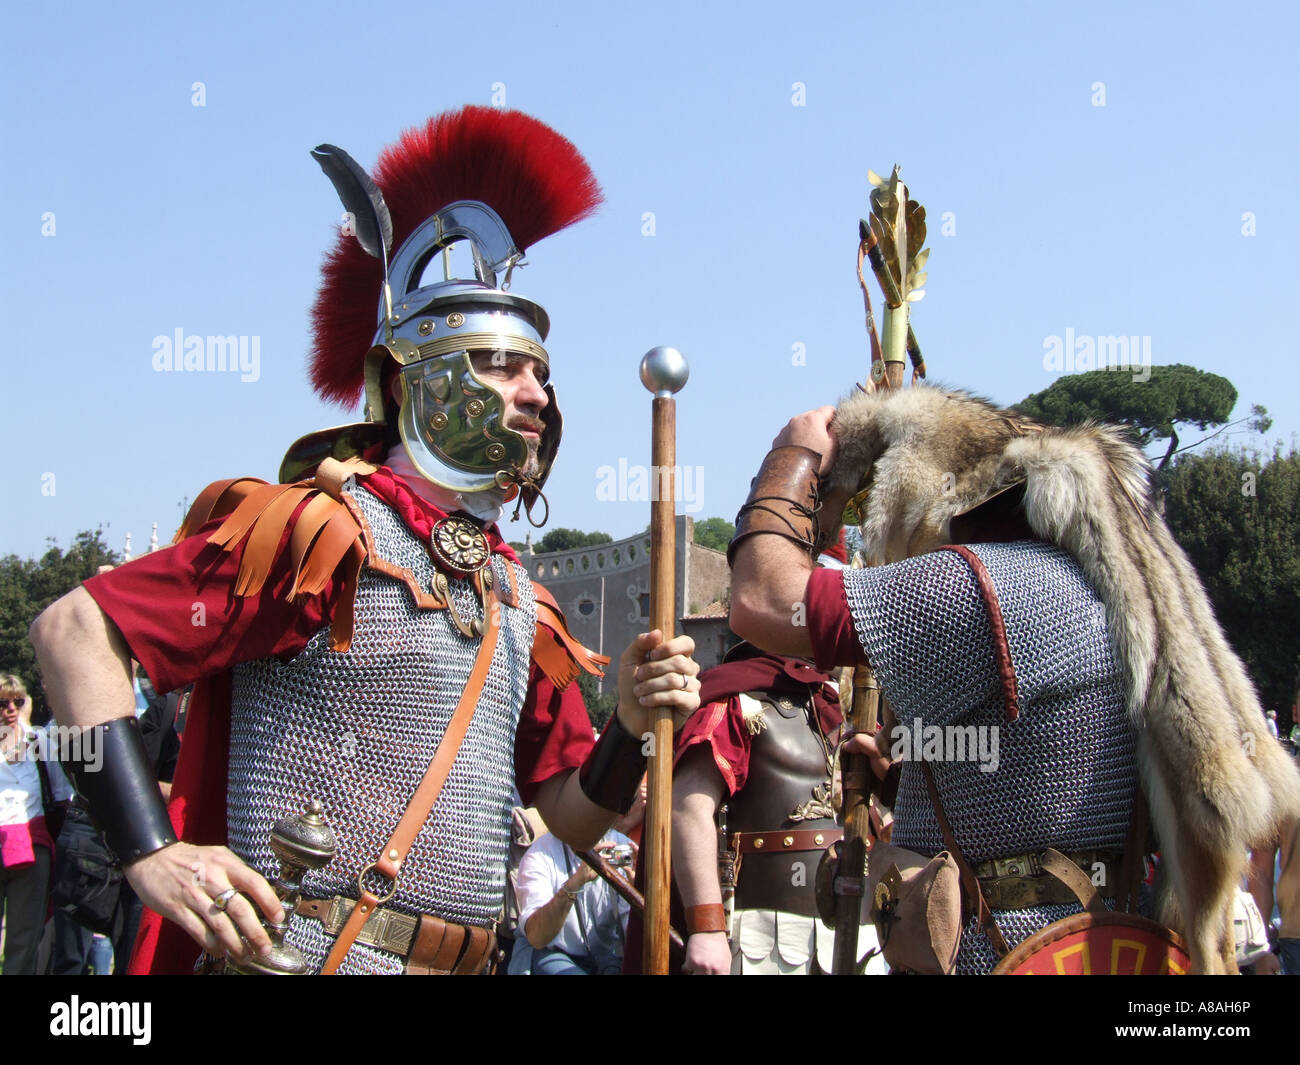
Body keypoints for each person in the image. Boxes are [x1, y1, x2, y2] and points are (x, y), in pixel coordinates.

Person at [29, 107, 700, 976]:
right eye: (503, 364)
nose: (537, 393)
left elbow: (564, 820)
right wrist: (150, 849)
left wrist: (633, 726)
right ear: (417, 380)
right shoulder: (322, 535)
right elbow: (73, 631)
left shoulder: (512, 592)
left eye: (541, 370)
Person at [727, 392, 1300, 974]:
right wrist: (905, 787)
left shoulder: (989, 581)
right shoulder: (1099, 593)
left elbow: (763, 601)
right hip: (1102, 938)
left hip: (1005, 946)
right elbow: (1050, 792)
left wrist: (791, 460)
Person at [671, 640, 887, 974]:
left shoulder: (846, 707)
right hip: (766, 938)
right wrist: (706, 926)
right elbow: (689, 807)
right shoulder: (736, 698)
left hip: (863, 933)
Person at [513, 789, 644, 975]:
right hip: (552, 952)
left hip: (605, 957)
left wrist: (639, 896)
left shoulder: (621, 848)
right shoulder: (540, 855)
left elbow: (633, 938)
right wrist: (576, 882)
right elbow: (538, 937)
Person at [0, 674, 72, 975]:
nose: (11, 709)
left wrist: (27, 731)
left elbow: (60, 794)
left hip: (33, 844)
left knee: (24, 938)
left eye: (18, 701)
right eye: (3, 703)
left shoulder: (40, 740)